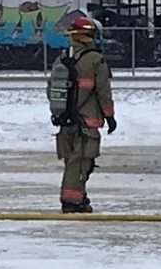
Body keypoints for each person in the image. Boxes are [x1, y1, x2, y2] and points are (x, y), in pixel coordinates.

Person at [47, 16, 117, 213]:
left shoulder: (61, 58)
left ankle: (77, 197)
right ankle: (72, 201)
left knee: (72, 161)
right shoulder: (95, 59)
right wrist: (109, 116)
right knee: (81, 163)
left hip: (65, 120)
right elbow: (103, 91)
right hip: (87, 122)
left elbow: (51, 89)